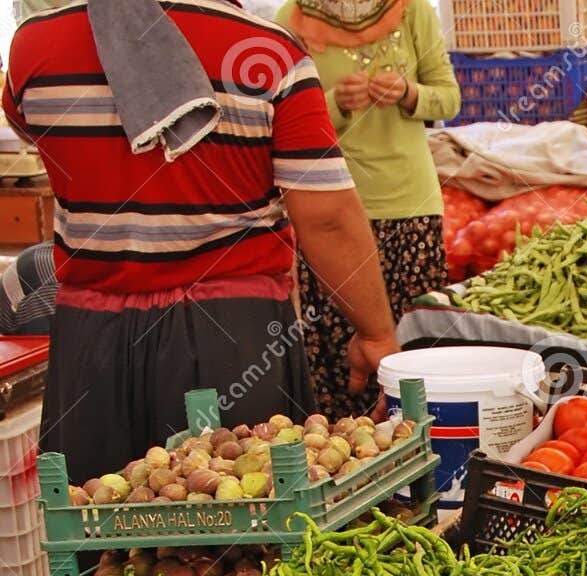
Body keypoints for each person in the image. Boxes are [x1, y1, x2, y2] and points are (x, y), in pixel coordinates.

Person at [2, 0, 401, 483]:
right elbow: (327, 220)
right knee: (248, 527)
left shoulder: (33, 47)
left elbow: (36, 133)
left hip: (92, 350)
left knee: (96, 525)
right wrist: (376, 332)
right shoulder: (269, 54)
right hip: (233, 339)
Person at [277, 0, 459, 414]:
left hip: (410, 206)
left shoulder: (413, 12)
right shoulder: (290, 22)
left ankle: (429, 455)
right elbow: (280, 121)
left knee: (418, 350)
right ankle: (349, 458)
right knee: (342, 362)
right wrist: (335, 102)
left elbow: (449, 99)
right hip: (331, 215)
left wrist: (409, 93)